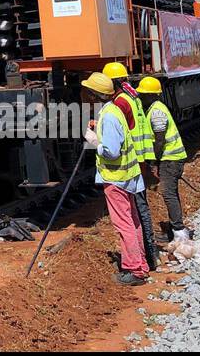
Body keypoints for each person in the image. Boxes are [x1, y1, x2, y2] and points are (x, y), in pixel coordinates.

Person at [81, 72, 148, 284]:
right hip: (127, 175)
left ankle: (134, 270)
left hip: (115, 177)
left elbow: (111, 152)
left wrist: (93, 141)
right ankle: (141, 263)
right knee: (133, 220)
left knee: (123, 223)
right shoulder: (113, 109)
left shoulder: (109, 115)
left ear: (95, 94)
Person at [103, 61, 156, 269]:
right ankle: (148, 259)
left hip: (129, 162)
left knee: (135, 213)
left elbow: (118, 134)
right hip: (139, 158)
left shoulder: (121, 102)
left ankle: (143, 262)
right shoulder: (131, 95)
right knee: (138, 211)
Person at [136, 77, 188, 240]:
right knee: (170, 192)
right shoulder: (154, 107)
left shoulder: (157, 111)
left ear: (152, 95)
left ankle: (178, 231)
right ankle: (177, 228)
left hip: (170, 158)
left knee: (168, 193)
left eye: (144, 94)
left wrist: (154, 161)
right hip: (171, 158)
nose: (141, 97)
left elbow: (159, 139)